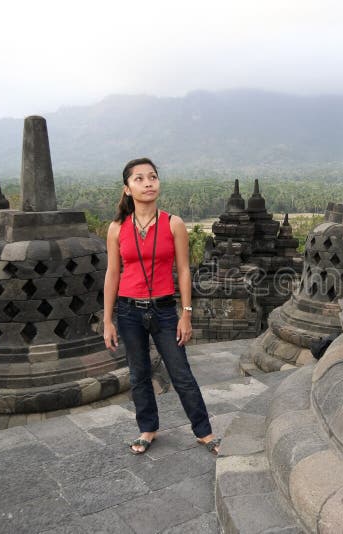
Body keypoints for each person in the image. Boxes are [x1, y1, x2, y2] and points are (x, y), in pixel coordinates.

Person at [102, 157, 220, 455]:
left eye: (152, 177)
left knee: (181, 373)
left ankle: (204, 432)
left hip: (165, 310)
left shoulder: (173, 223)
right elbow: (113, 273)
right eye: (139, 179)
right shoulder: (117, 228)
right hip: (128, 311)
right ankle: (148, 428)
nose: (147, 183)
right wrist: (107, 320)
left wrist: (186, 314)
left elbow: (183, 269)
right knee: (138, 373)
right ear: (127, 188)